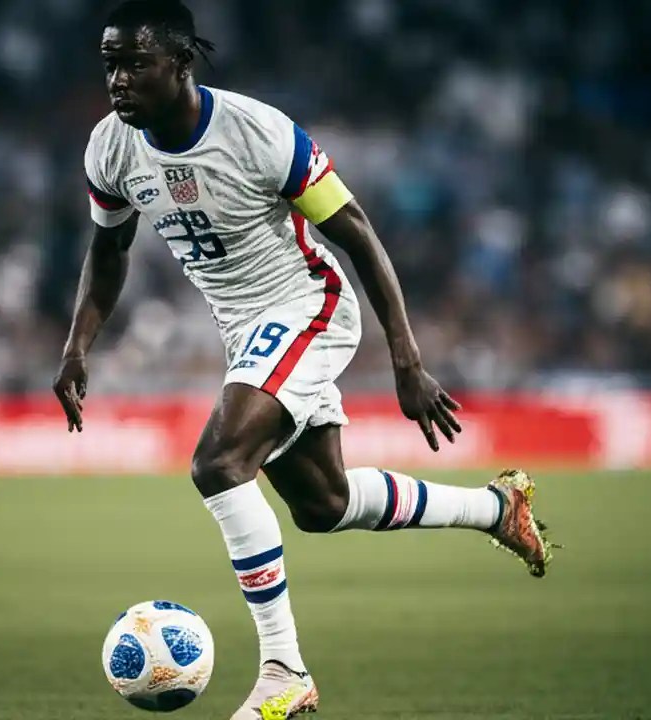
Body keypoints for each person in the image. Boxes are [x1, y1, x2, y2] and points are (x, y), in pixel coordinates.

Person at [54, 2, 554, 717]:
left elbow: (356, 232)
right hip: (246, 330)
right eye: (110, 64)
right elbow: (108, 251)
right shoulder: (110, 148)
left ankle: (283, 671)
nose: (119, 80)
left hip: (307, 304)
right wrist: (77, 346)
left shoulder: (259, 134)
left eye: (135, 63)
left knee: (218, 463)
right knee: (324, 505)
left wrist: (405, 357)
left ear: (180, 63)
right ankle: (496, 508)